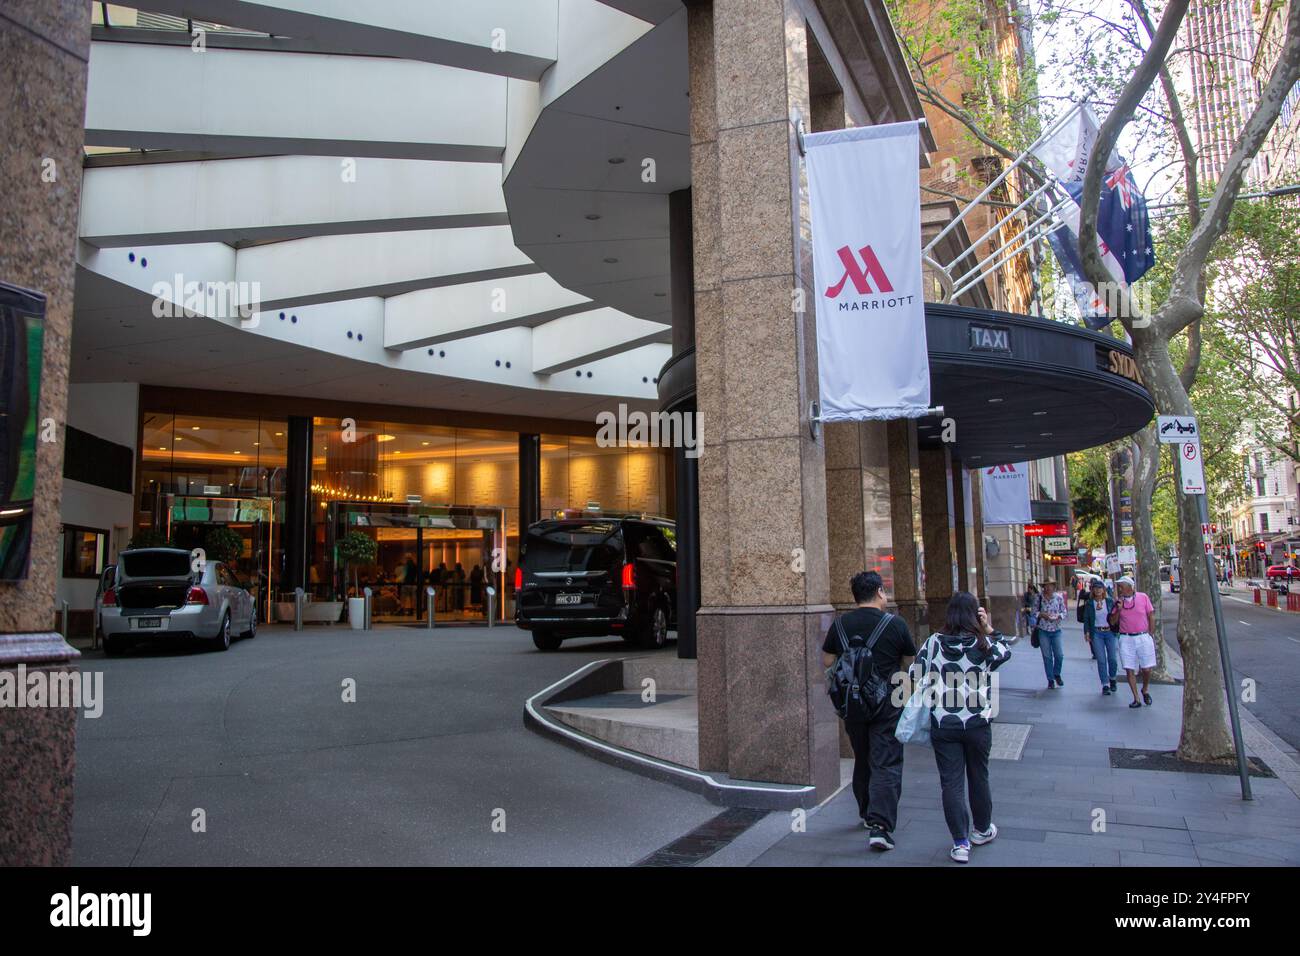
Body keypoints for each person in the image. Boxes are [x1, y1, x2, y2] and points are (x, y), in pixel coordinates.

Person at [908, 591, 1016, 863]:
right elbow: (1006, 651)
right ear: (974, 614)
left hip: (944, 723)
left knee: (951, 783)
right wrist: (989, 627)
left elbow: (913, 674)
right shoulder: (983, 644)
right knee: (979, 776)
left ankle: (960, 843)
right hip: (978, 723)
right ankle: (982, 830)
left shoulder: (933, 643)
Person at [821, 570, 916, 852]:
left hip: (853, 705)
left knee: (862, 757)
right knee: (886, 761)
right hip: (888, 704)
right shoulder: (895, 624)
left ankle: (865, 812)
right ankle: (881, 827)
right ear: (879, 592)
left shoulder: (840, 625)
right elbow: (909, 660)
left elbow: (827, 660)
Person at [1114, 575, 1157, 708]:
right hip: (1126, 637)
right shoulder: (1118, 602)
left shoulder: (1143, 597)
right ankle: (1136, 698)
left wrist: (1151, 633)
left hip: (1142, 636)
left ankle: (1145, 689)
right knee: (1129, 668)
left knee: (1147, 668)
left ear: (1130, 587)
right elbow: (1112, 621)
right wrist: (1119, 609)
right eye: (1119, 586)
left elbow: (1151, 615)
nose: (1120, 589)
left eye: (1122, 586)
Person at [1082, 579, 1119, 696]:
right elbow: (1086, 619)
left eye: (1100, 588)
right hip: (1097, 633)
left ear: (1103, 590)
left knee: (1112, 658)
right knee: (1101, 660)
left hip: (1110, 632)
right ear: (1092, 590)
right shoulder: (1089, 604)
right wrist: (1087, 632)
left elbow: (1116, 615)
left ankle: (1112, 677)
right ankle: (1105, 684)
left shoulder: (1109, 602)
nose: (1098, 590)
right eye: (1095, 588)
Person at [1036, 580, 1067, 689]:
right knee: (1047, 656)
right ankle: (1050, 680)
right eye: (1046, 586)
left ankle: (1056, 673)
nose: (1048, 588)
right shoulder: (1039, 597)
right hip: (1043, 630)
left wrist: (1059, 616)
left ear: (1054, 587)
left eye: (1050, 586)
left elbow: (1064, 612)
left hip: (1056, 629)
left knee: (1059, 655)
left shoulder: (1058, 597)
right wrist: (1041, 614)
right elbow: (1034, 612)